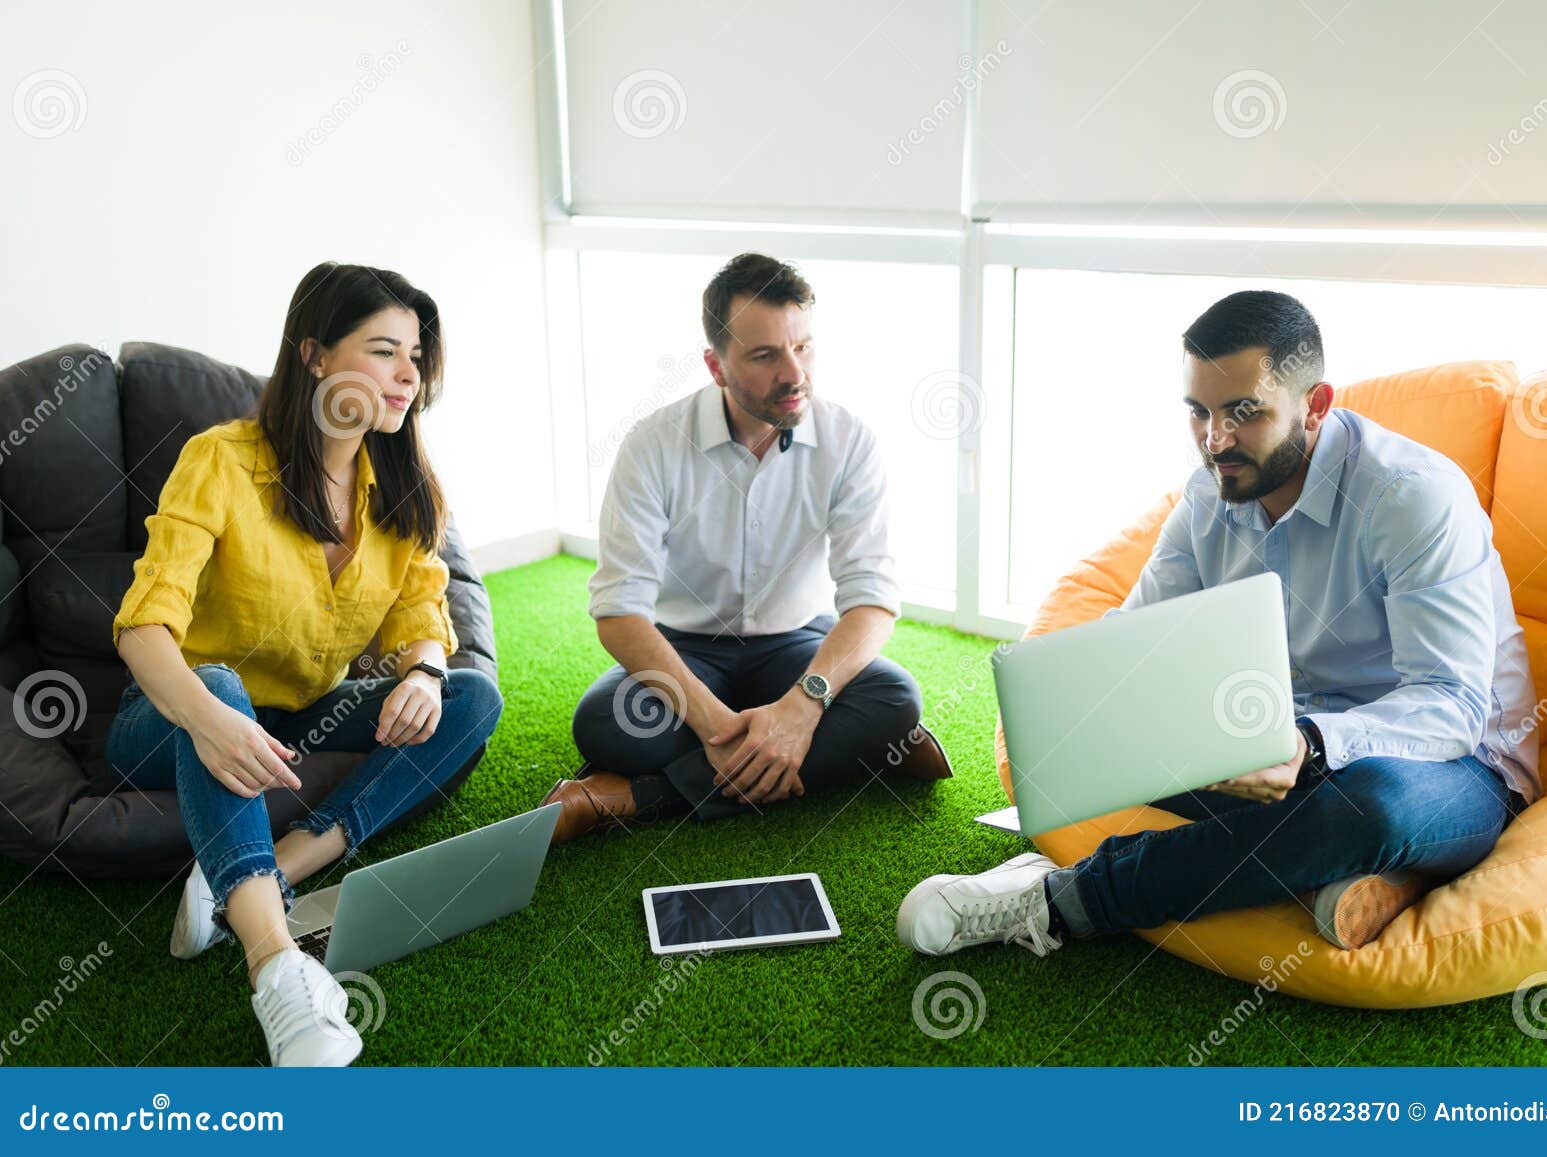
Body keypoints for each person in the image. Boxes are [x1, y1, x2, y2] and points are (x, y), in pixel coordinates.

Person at [898, 290, 1539, 959]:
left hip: (1457, 768)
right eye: (1199, 411)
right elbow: (1134, 644)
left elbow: (1452, 705)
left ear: (1315, 406)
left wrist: (1309, 743)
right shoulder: (1209, 494)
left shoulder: (1411, 497)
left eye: (1244, 412)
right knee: (1129, 745)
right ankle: (1348, 868)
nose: (1215, 439)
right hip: (1280, 744)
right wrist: (1089, 707)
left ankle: (1059, 899)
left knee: (1373, 808)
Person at [109, 263, 504, 1066]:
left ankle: (283, 864)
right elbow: (143, 626)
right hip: (172, 715)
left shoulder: (403, 484)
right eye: (384, 350)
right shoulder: (221, 461)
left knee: (471, 697)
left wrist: (424, 672)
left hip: (300, 716)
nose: (408, 374)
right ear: (314, 355)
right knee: (220, 683)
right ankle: (277, 968)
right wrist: (209, 718)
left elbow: (424, 607)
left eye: (416, 356)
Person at [544, 252, 949, 843]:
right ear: (717, 366)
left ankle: (627, 798)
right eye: (765, 356)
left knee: (894, 698)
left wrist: (802, 708)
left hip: (796, 645)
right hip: (685, 648)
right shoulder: (652, 445)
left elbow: (872, 600)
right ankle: (849, 753)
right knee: (606, 724)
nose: (794, 373)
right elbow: (619, 612)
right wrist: (713, 726)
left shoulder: (849, 440)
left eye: (803, 347)